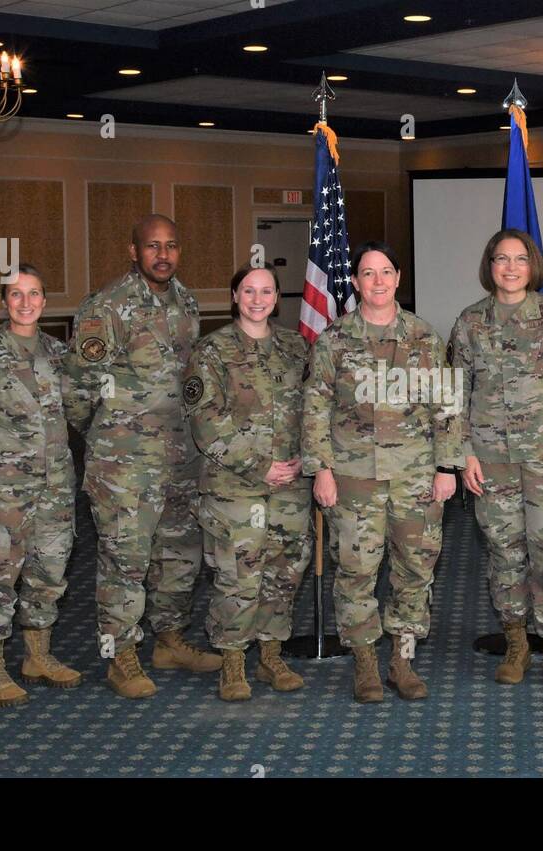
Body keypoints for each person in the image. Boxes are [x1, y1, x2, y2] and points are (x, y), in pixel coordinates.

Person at [63, 214, 221, 700]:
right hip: (124, 465)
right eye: (153, 246)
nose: (163, 254)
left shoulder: (187, 301)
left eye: (171, 245)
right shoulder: (106, 308)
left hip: (182, 456)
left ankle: (169, 639)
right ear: (134, 251)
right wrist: (108, 435)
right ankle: (121, 655)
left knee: (180, 554)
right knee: (124, 560)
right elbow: (78, 391)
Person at [302, 241, 461, 702]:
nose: (377, 281)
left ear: (398, 278)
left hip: (416, 477)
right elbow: (315, 408)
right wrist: (322, 470)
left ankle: (403, 661)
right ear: (355, 282)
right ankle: (366, 664)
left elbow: (447, 406)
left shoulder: (424, 337)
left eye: (385, 272)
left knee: (415, 571)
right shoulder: (334, 340)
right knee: (356, 572)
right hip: (353, 478)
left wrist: (447, 467)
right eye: (367, 273)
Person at [449, 229, 543, 687]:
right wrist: (463, 454)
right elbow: (454, 395)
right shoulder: (470, 322)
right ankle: (515, 644)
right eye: (500, 259)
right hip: (490, 461)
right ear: (488, 266)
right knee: (504, 554)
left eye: (519, 260)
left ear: (533, 266)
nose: (510, 268)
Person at [0, 265, 81, 707]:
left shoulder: (61, 354)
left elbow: (79, 413)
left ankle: (36, 657)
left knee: (50, 574)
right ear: (4, 302)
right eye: (16, 295)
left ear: (45, 301)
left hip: (56, 489)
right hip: (4, 493)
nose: (26, 303)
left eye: (35, 294)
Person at [185, 264, 312, 701]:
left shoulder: (295, 348)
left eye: (267, 292)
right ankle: (232, 662)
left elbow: (312, 410)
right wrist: (259, 465)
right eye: (249, 291)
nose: (258, 299)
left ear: (278, 298)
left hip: (290, 487)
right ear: (235, 296)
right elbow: (206, 422)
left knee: (284, 572)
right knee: (238, 575)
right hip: (233, 486)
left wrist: (308, 460)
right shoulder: (211, 351)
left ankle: (270, 656)